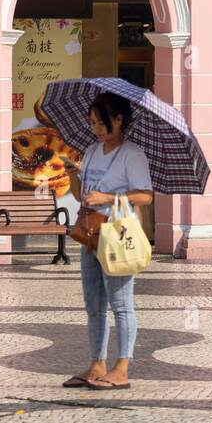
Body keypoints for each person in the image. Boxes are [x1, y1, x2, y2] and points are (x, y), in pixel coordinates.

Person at [61, 93, 152, 390]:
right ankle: (96, 364)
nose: (97, 128)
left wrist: (109, 198)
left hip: (118, 235)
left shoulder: (132, 154)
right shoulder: (91, 151)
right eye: (92, 123)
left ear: (119, 120)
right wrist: (74, 175)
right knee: (94, 303)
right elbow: (80, 195)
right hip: (91, 233)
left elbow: (145, 196)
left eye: (102, 122)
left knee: (121, 304)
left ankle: (122, 368)